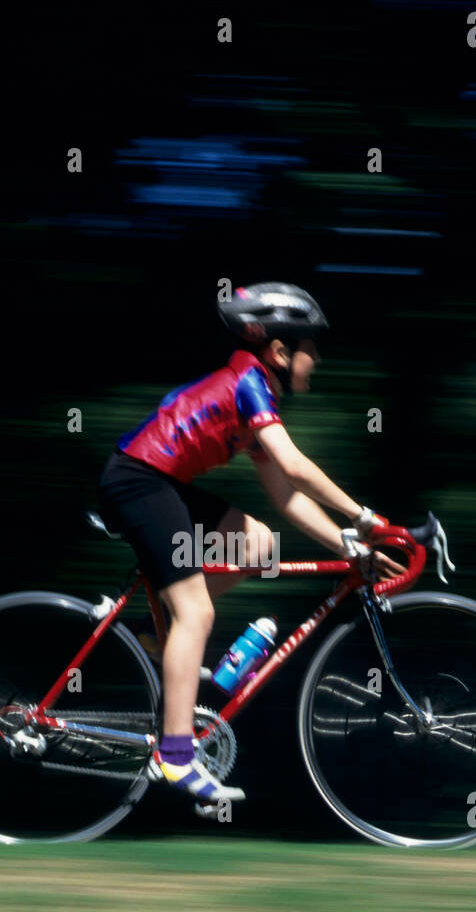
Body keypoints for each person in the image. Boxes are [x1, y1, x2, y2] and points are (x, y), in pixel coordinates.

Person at [96, 282, 404, 805]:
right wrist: (367, 518)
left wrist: (348, 546)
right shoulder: (250, 383)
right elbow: (295, 466)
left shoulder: (255, 389)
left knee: (258, 545)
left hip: (157, 482)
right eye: (312, 350)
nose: (318, 360)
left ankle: (155, 633)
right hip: (139, 482)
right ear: (281, 352)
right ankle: (174, 757)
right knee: (197, 614)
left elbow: (286, 498)